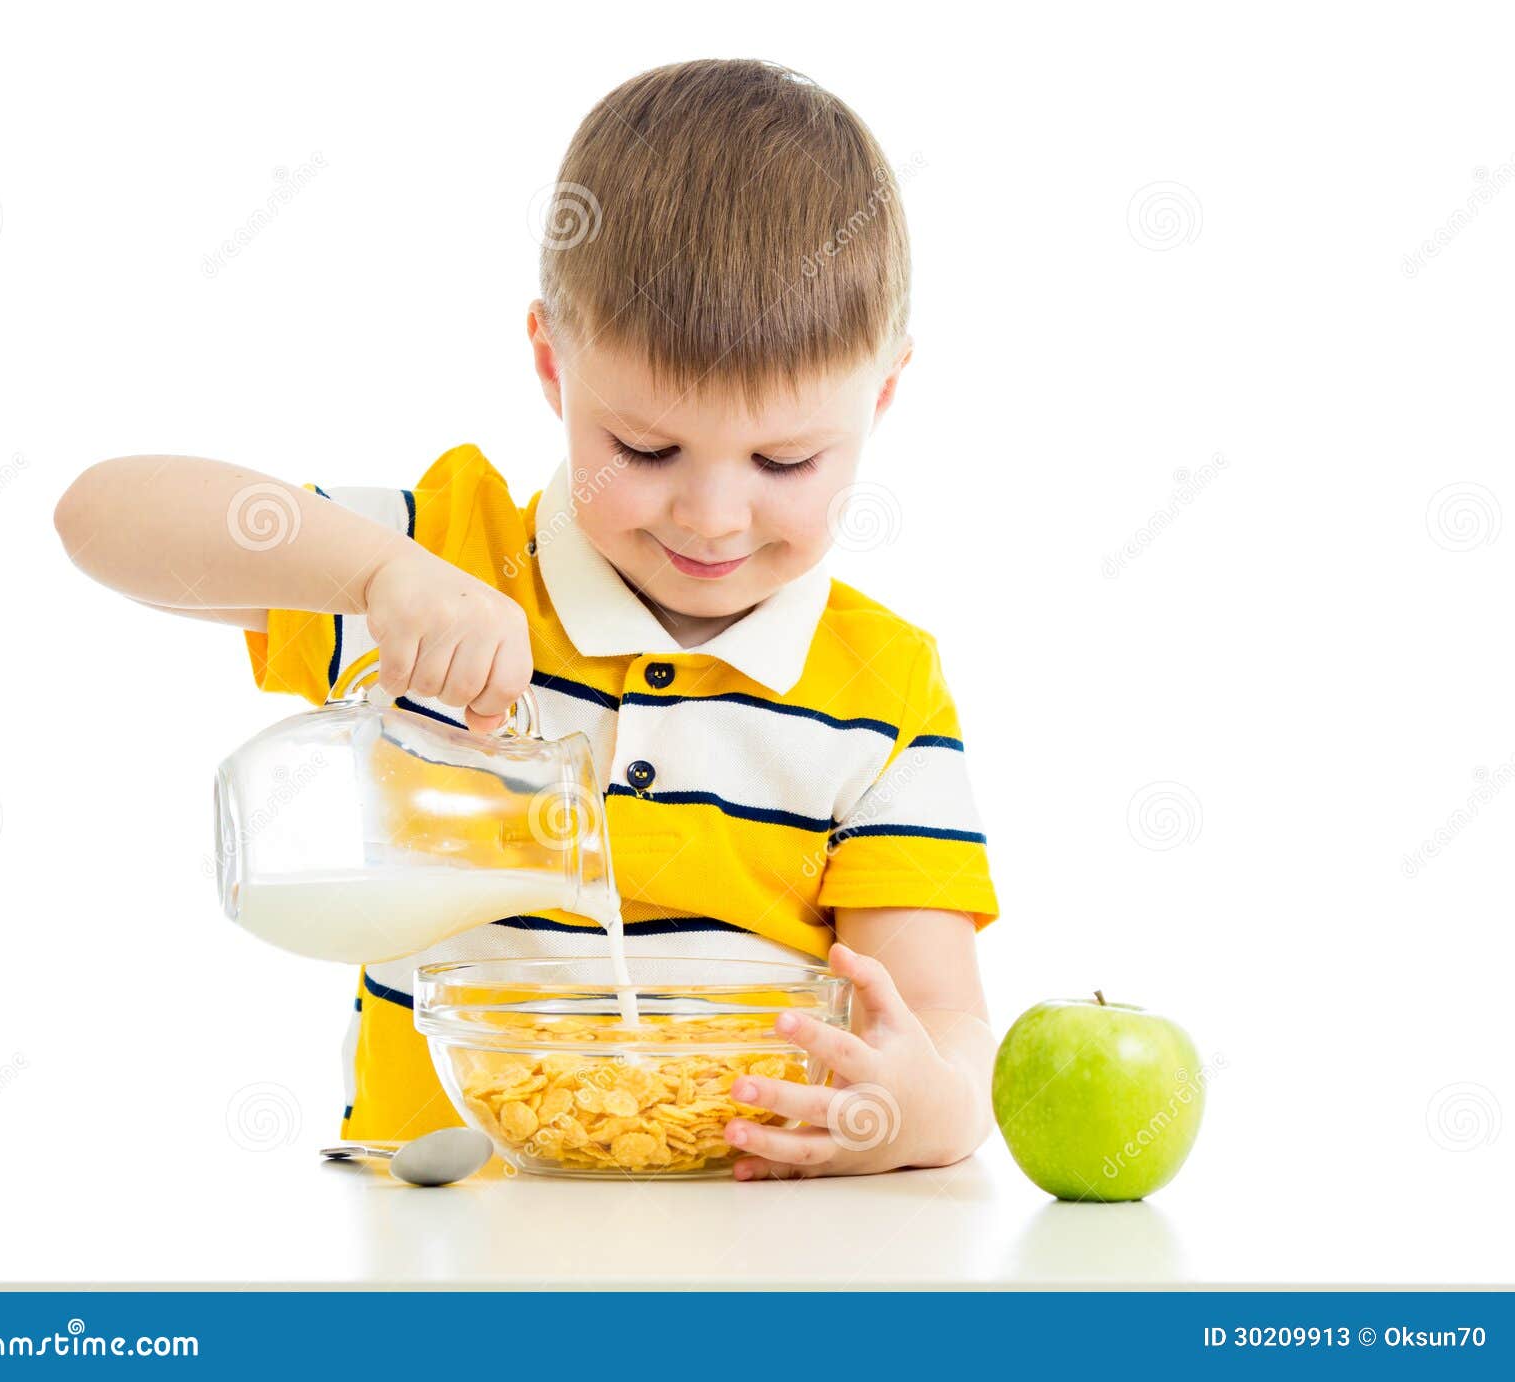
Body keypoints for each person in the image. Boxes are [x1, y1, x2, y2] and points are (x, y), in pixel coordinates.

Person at [54, 57, 1002, 1178]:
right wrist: (371, 578)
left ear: (881, 396)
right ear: (553, 362)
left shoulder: (881, 693)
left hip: (748, 1240)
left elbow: (943, 1031)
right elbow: (99, 515)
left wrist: (903, 1115)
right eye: (644, 449)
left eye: (784, 458)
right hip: (439, 1229)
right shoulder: (442, 565)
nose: (712, 514)